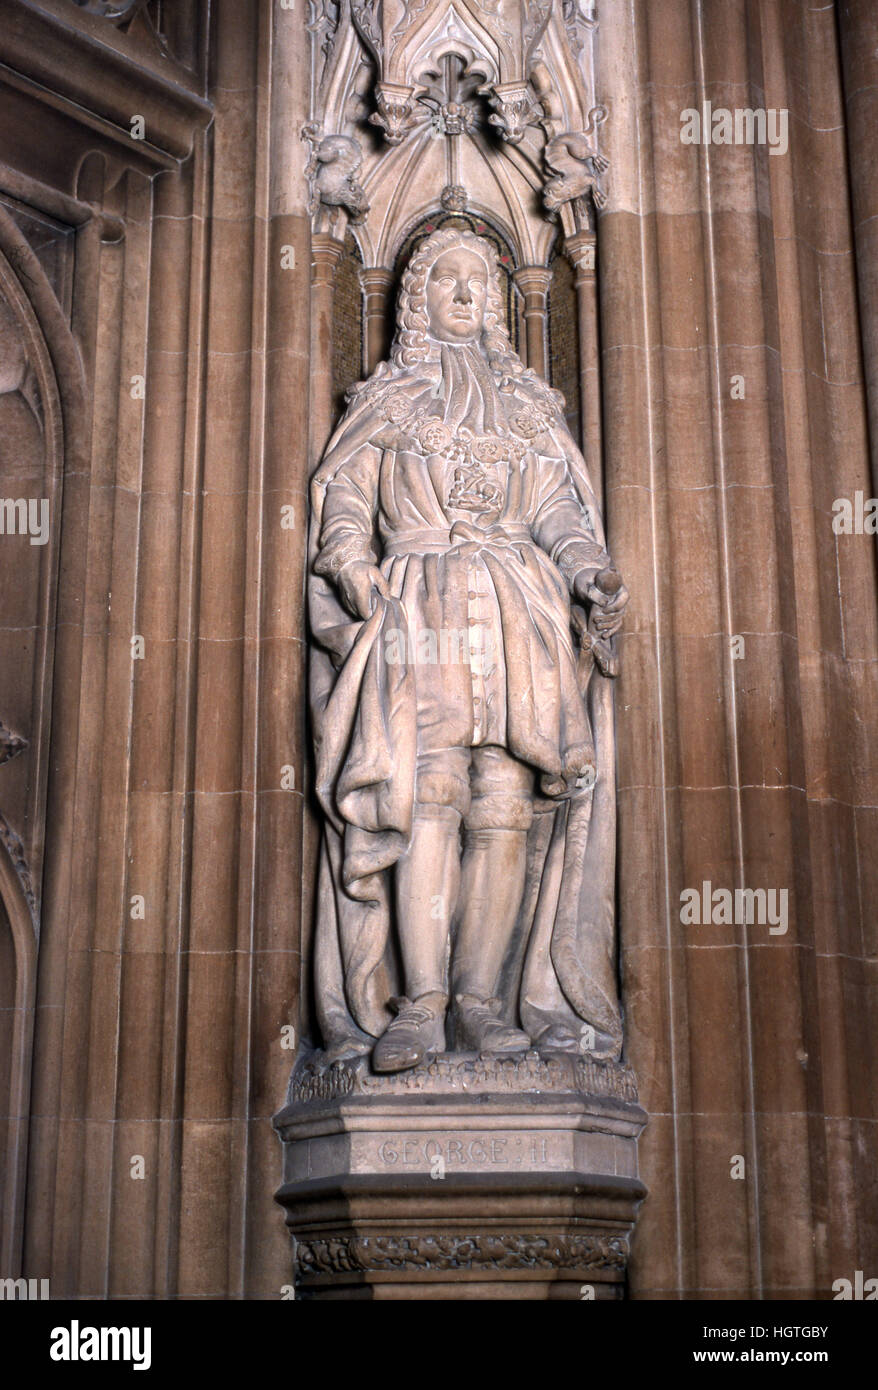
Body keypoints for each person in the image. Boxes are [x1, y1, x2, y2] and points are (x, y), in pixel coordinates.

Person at [308, 228, 628, 1073]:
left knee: (504, 800)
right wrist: (351, 565)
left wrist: (587, 568)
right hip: (420, 604)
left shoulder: (528, 405)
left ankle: (485, 1002)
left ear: (495, 297)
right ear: (416, 296)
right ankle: (421, 1002)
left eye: (476, 279)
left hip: (515, 605)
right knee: (427, 790)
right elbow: (346, 498)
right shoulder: (388, 398)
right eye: (443, 277)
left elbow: (560, 510)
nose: (462, 291)